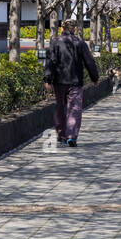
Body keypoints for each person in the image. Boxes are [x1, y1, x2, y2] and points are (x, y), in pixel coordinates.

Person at [44, 18, 99, 147]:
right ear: (74, 28)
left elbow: (50, 61)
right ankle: (71, 136)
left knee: (60, 108)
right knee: (75, 108)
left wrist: (48, 79)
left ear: (62, 28)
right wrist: (94, 78)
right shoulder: (79, 43)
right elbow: (89, 62)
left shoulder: (55, 42)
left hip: (59, 81)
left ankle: (62, 135)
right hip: (75, 81)